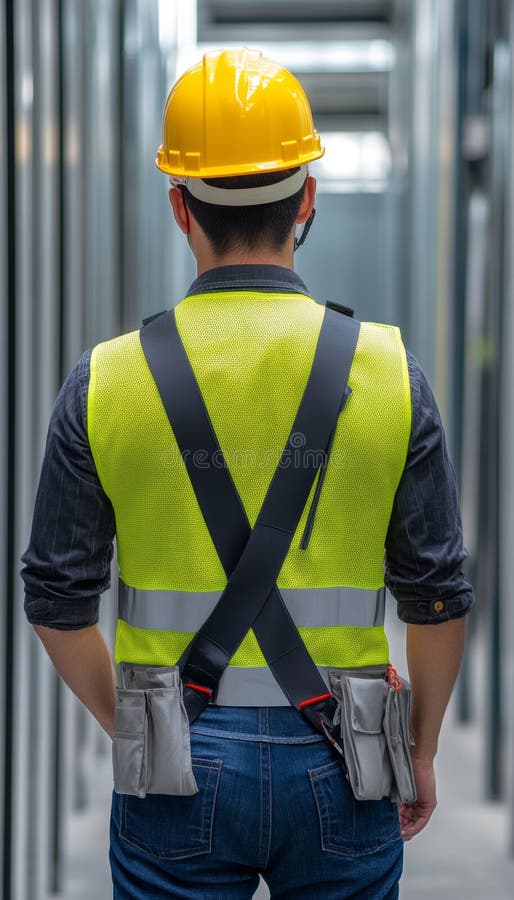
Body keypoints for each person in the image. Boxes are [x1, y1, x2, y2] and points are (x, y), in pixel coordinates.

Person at [22, 47, 473, 899]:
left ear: (179, 206)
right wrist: (420, 748)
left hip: (176, 762)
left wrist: (137, 728)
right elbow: (439, 594)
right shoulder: (390, 375)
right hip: (349, 756)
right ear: (306, 199)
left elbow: (54, 597)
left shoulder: (105, 382)